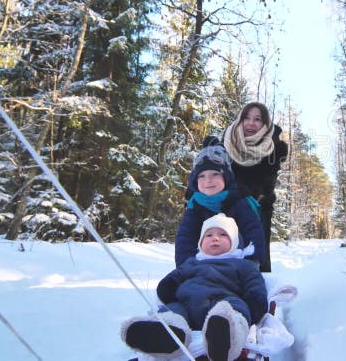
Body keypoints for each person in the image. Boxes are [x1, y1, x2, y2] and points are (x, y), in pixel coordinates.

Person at [120, 214, 268, 361]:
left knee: (236, 309)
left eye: (223, 234)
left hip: (224, 301)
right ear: (201, 243)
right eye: (209, 235)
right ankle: (166, 334)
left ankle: (226, 337)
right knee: (172, 310)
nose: (215, 238)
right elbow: (173, 279)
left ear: (235, 242)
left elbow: (254, 283)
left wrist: (255, 301)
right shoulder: (192, 263)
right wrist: (167, 288)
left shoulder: (242, 264)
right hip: (185, 304)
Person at [174, 141, 266, 268]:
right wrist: (185, 266)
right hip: (203, 264)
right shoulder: (195, 204)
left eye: (215, 174)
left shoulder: (239, 200)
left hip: (238, 263)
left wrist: (252, 260)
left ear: (226, 177)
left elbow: (253, 231)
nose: (208, 180)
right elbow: (186, 236)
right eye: (202, 176)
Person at [223, 102, 289, 272]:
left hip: (258, 213)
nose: (251, 123)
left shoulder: (273, 149)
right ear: (240, 120)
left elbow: (265, 186)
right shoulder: (226, 143)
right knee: (225, 264)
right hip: (226, 213)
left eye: (257, 119)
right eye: (246, 118)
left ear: (265, 124)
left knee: (256, 266)